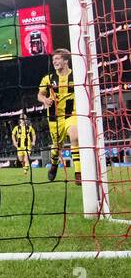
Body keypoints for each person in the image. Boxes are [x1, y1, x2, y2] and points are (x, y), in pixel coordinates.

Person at [38, 48, 79, 183]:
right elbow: (40, 95)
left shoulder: (76, 75)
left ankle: (78, 173)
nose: (54, 61)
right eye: (53, 59)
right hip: (54, 118)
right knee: (57, 146)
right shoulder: (48, 78)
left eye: (57, 59)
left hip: (70, 114)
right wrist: (45, 100)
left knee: (74, 136)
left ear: (65, 60)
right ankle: (54, 164)